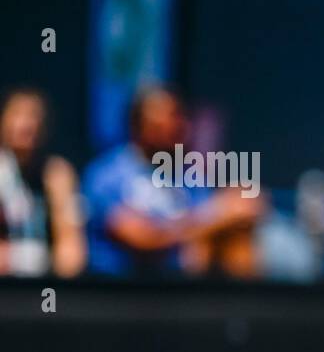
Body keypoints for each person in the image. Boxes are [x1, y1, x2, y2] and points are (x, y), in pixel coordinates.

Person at [81, 85, 263, 277]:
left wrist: (233, 212)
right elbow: (142, 239)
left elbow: (203, 234)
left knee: (236, 234)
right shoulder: (107, 175)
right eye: (165, 118)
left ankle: (249, 303)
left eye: (178, 116)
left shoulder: (187, 174)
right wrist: (220, 213)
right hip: (121, 292)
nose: (176, 126)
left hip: (182, 289)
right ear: (137, 125)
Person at [0, 88, 85, 277]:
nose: (26, 124)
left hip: (43, 285)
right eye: (17, 114)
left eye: (33, 116)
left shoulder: (58, 173)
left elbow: (71, 251)